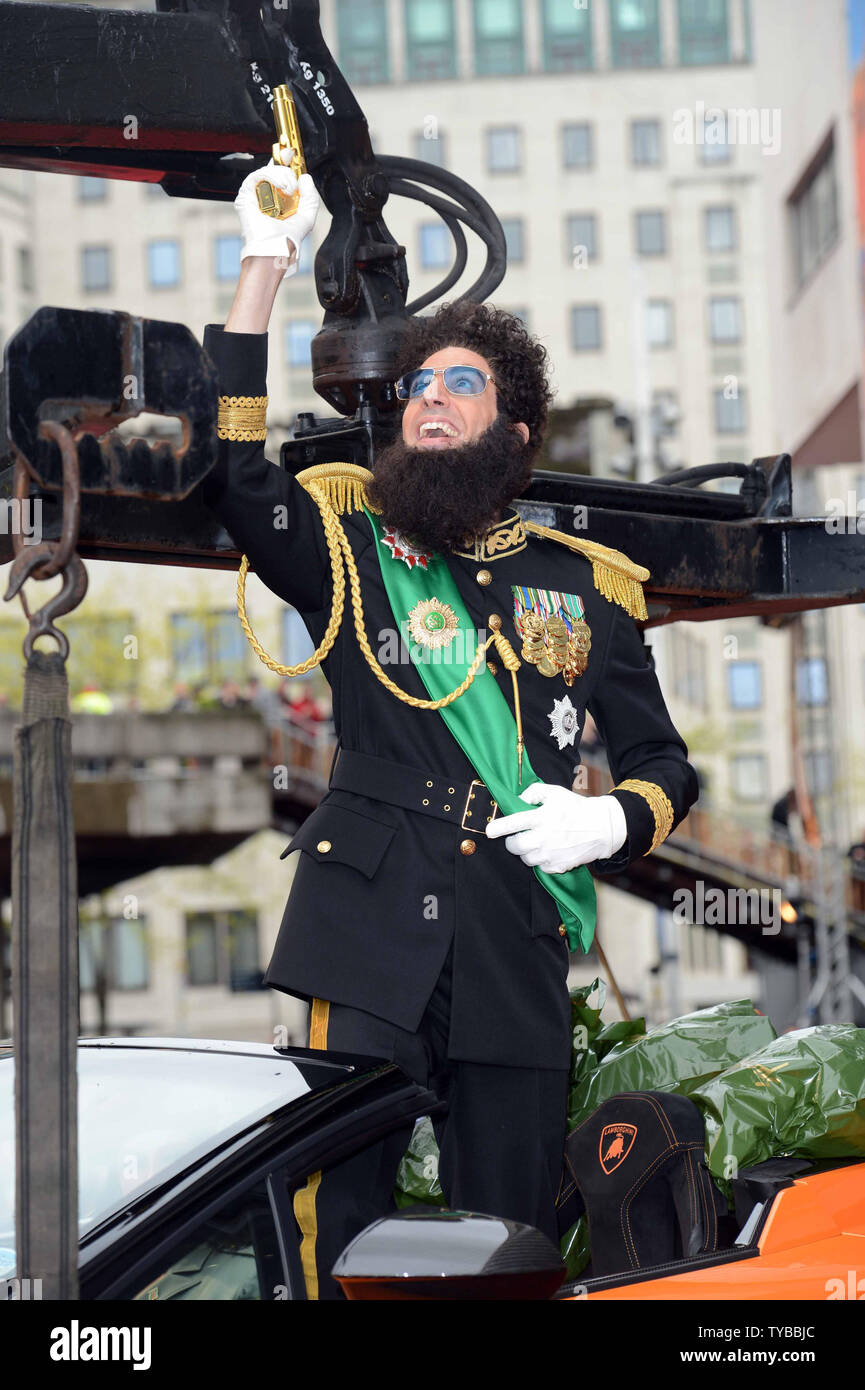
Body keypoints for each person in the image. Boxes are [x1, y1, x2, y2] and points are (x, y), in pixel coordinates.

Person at [197, 157, 699, 1299]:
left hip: (514, 933)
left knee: (507, 1236)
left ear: (511, 430)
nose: (426, 396)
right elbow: (226, 472)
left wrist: (609, 820)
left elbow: (670, 766)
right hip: (368, 910)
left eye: (456, 382)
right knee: (335, 1216)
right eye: (417, 382)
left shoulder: (588, 588)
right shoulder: (349, 544)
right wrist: (264, 264)